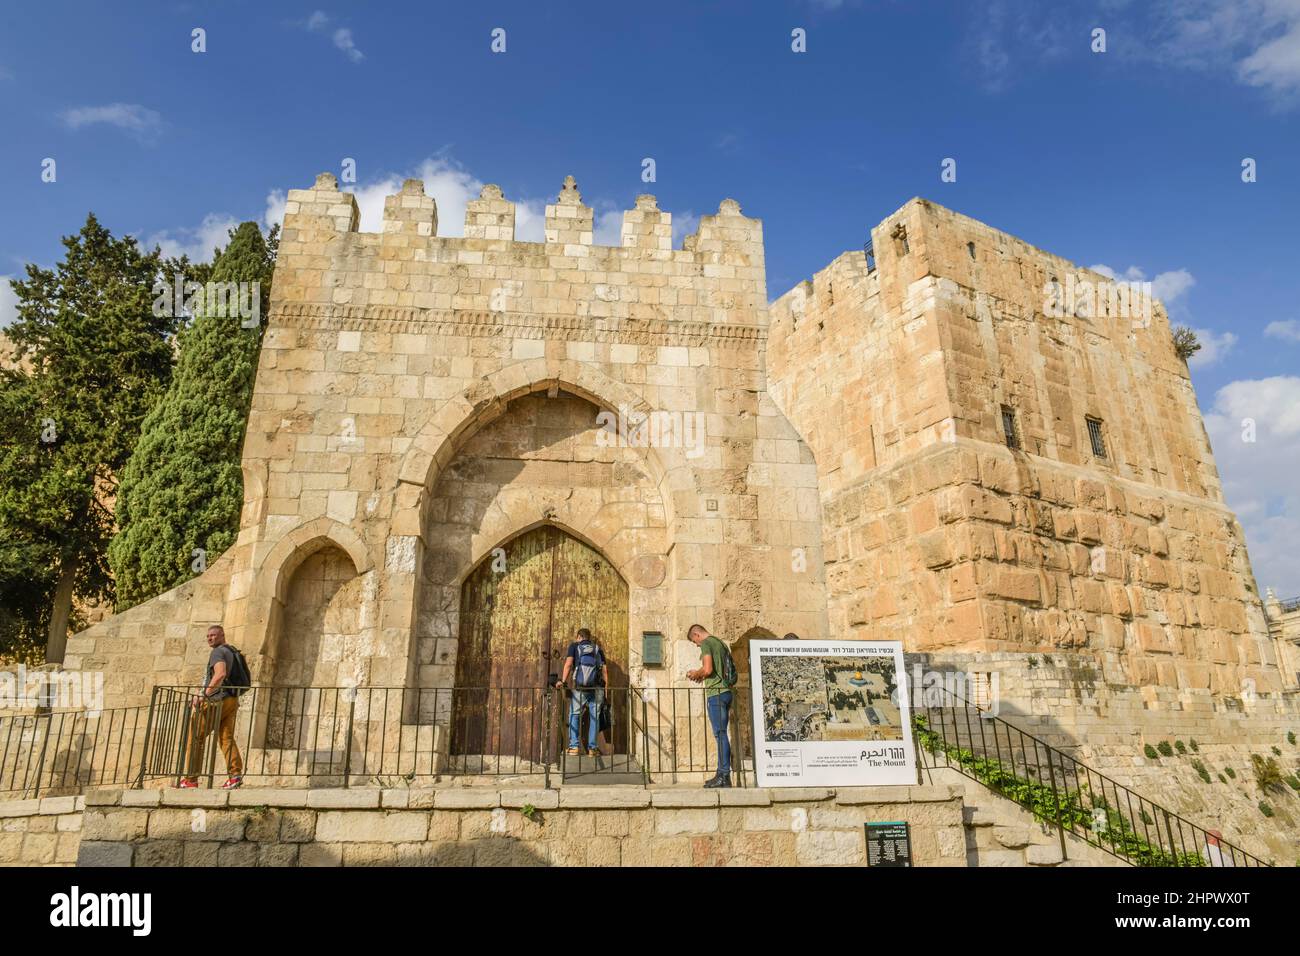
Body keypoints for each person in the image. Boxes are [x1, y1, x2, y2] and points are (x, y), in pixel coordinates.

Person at [178, 624, 245, 789]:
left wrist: (203, 694)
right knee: (226, 738)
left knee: (195, 737)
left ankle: (191, 779)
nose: (210, 638)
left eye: (213, 635)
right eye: (208, 636)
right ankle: (235, 776)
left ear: (222, 635)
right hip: (231, 700)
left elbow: (220, 673)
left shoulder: (218, 652)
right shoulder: (232, 651)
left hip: (216, 700)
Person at [686, 623, 735, 788]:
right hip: (727, 692)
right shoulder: (719, 643)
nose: (697, 645)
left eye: (695, 642)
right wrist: (702, 674)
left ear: (697, 635)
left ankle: (724, 776)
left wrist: (696, 673)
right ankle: (720, 774)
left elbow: (707, 669)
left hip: (717, 694)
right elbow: (715, 669)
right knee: (721, 734)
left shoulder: (706, 643)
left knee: (720, 734)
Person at [556, 628, 608, 756]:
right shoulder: (597, 649)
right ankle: (592, 748)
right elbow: (605, 671)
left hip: (580, 688)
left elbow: (568, 664)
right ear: (589, 637)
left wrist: (563, 681)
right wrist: (606, 691)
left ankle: (574, 747)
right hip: (596, 689)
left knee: (574, 714)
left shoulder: (575, 646)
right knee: (594, 717)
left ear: (579, 636)